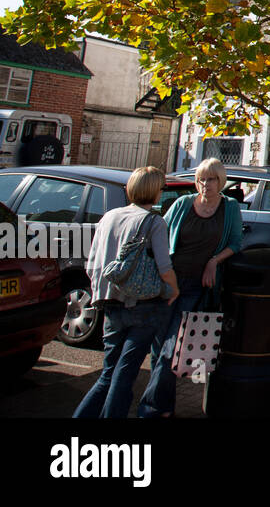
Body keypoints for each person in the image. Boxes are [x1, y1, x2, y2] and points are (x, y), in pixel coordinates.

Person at [138, 158, 242, 418]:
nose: (205, 184)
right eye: (201, 179)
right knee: (160, 346)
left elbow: (236, 242)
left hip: (198, 286)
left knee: (171, 348)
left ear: (221, 181)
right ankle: (165, 406)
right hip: (169, 282)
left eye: (212, 179)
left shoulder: (229, 208)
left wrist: (213, 262)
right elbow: (159, 233)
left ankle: (151, 409)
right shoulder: (183, 204)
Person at [73, 167, 180, 418]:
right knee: (124, 375)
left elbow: (93, 262)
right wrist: (173, 289)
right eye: (161, 188)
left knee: (108, 373)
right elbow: (164, 267)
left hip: (109, 303)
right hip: (143, 305)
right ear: (154, 190)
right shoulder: (154, 221)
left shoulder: (109, 217)